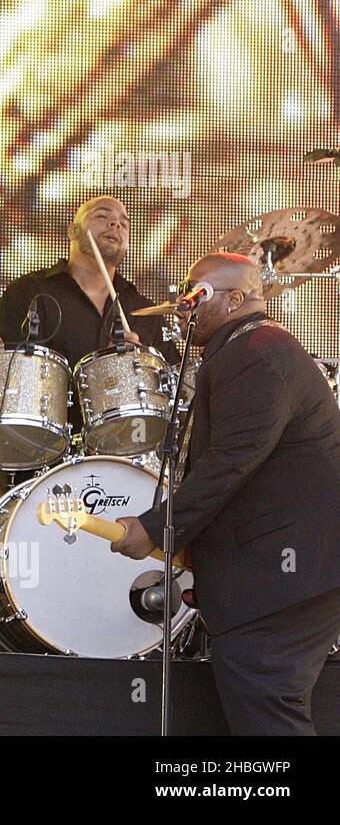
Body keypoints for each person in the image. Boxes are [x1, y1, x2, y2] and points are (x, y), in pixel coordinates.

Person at [112, 252, 340, 734]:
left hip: (286, 574)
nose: (183, 304)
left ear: (237, 299)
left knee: (268, 705)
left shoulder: (254, 352)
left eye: (198, 292)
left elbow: (232, 461)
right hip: (287, 570)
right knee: (268, 705)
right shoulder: (247, 349)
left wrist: (155, 529)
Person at [0, 195, 177, 370]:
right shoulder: (28, 293)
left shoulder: (147, 315)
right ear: (73, 231)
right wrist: (105, 363)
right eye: (102, 216)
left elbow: (177, 390)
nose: (115, 224)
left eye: (124, 224)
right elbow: (15, 380)